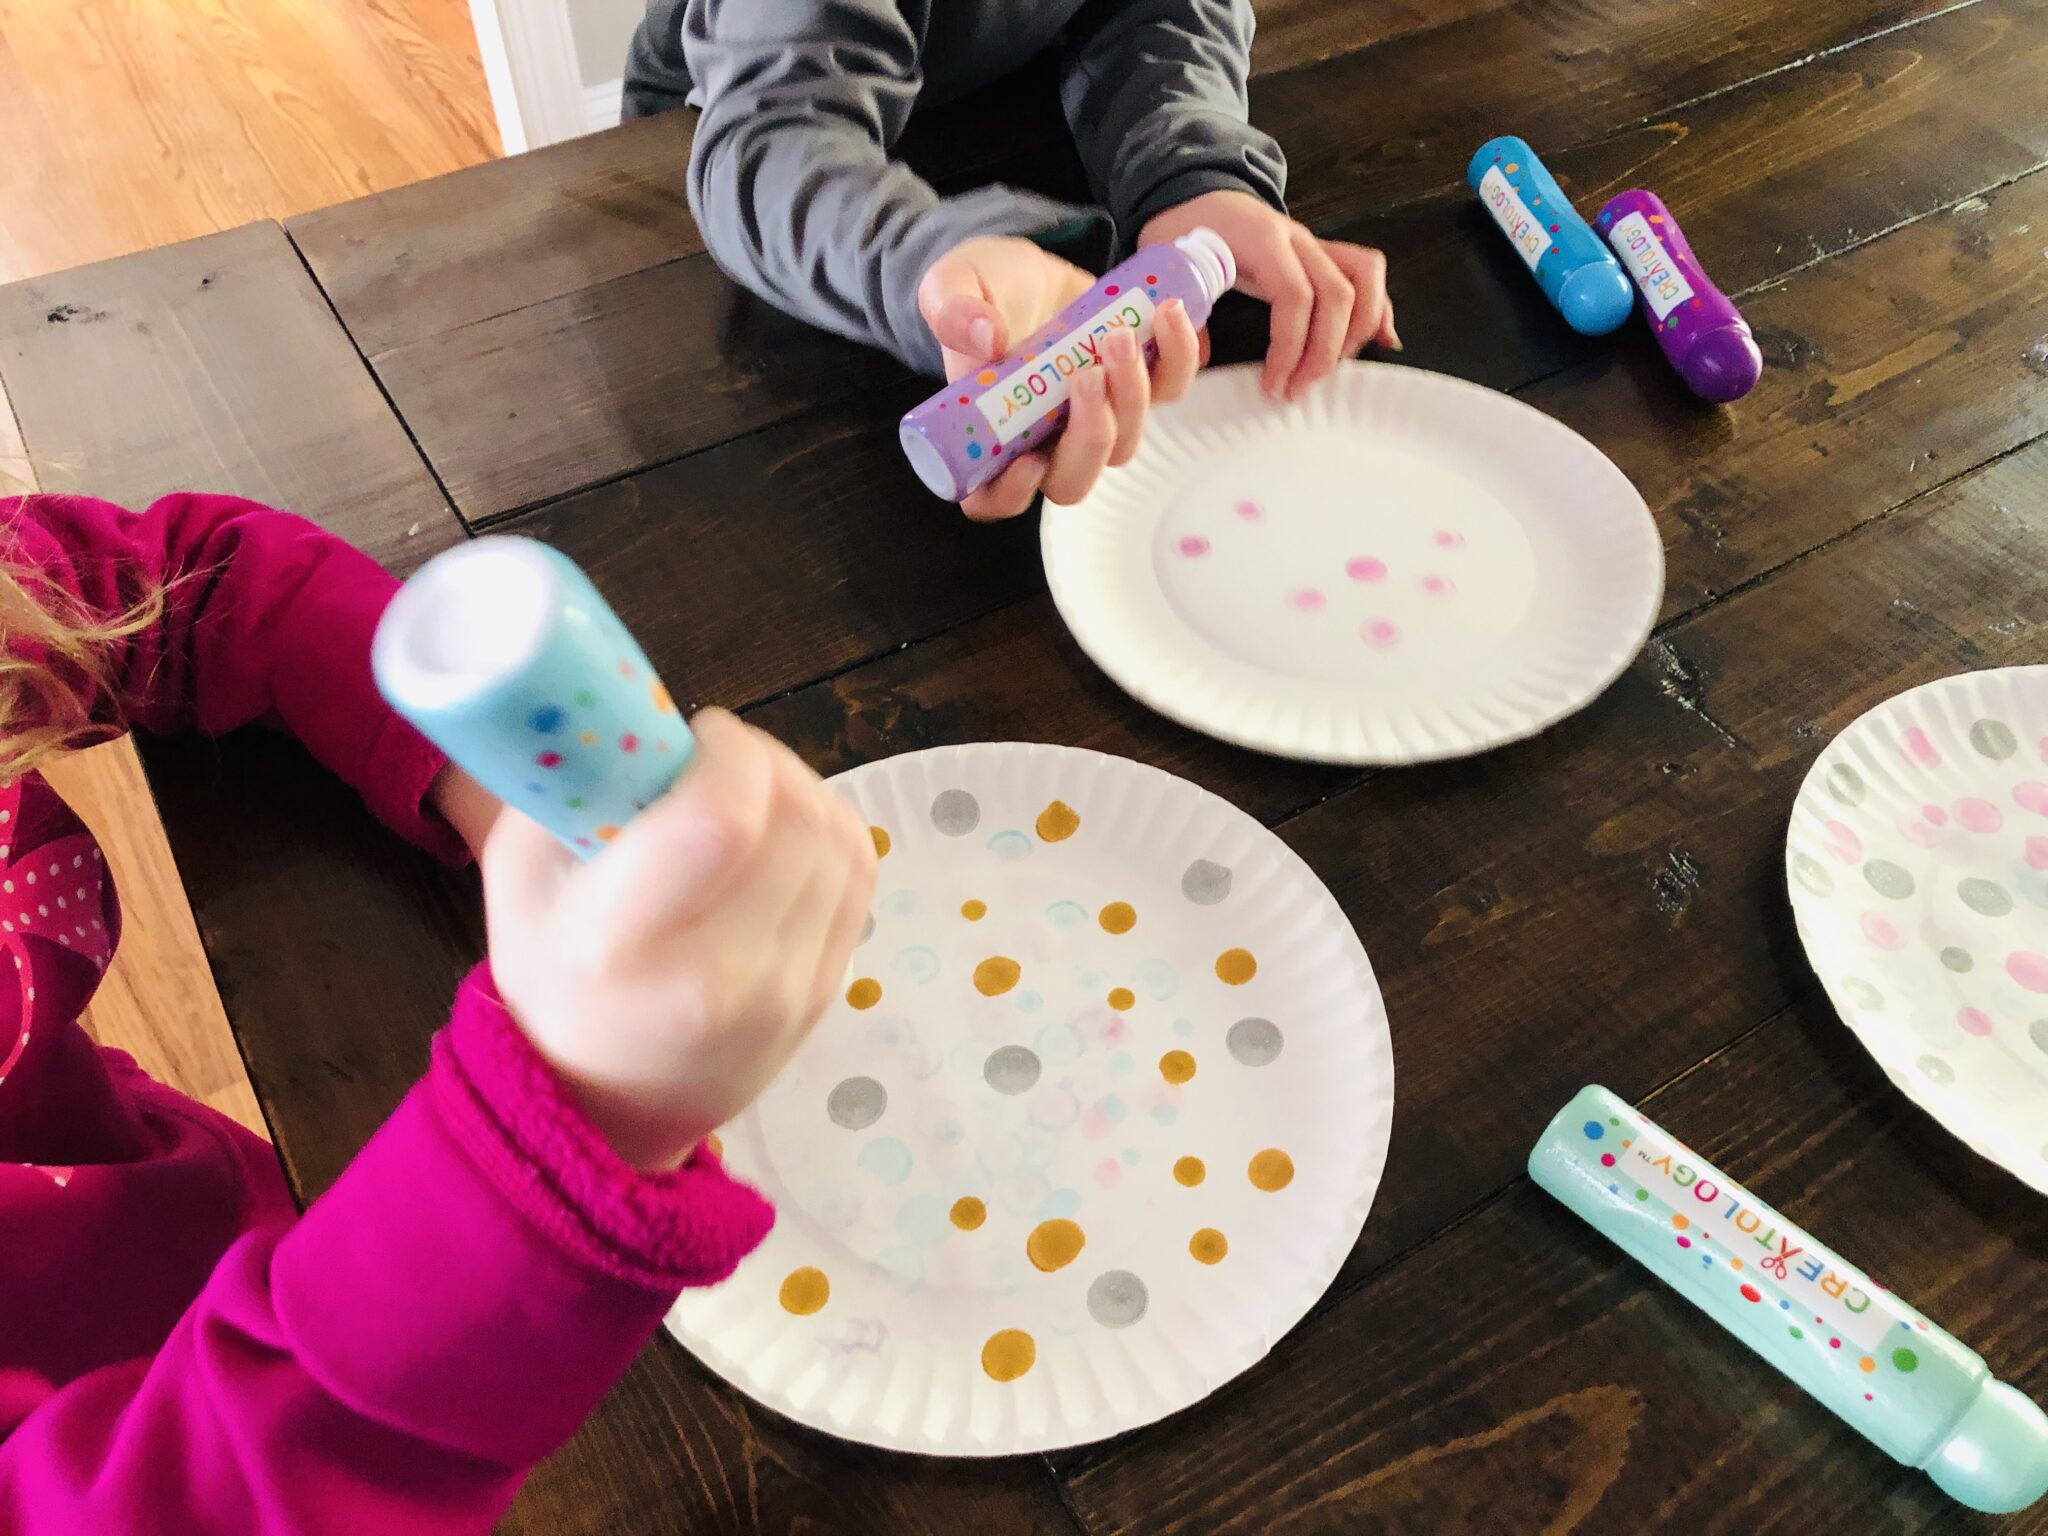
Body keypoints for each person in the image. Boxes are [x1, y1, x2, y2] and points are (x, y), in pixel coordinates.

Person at [0, 491, 876, 1531]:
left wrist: (478, 774)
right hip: (347, 1415)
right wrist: (565, 1136)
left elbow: (192, 584)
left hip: (233, 1217)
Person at [625, 0, 1400, 521]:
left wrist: (1192, 175)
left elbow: (1161, 16)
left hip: (999, 121)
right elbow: (775, 142)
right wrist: (930, 257)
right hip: (754, 219)